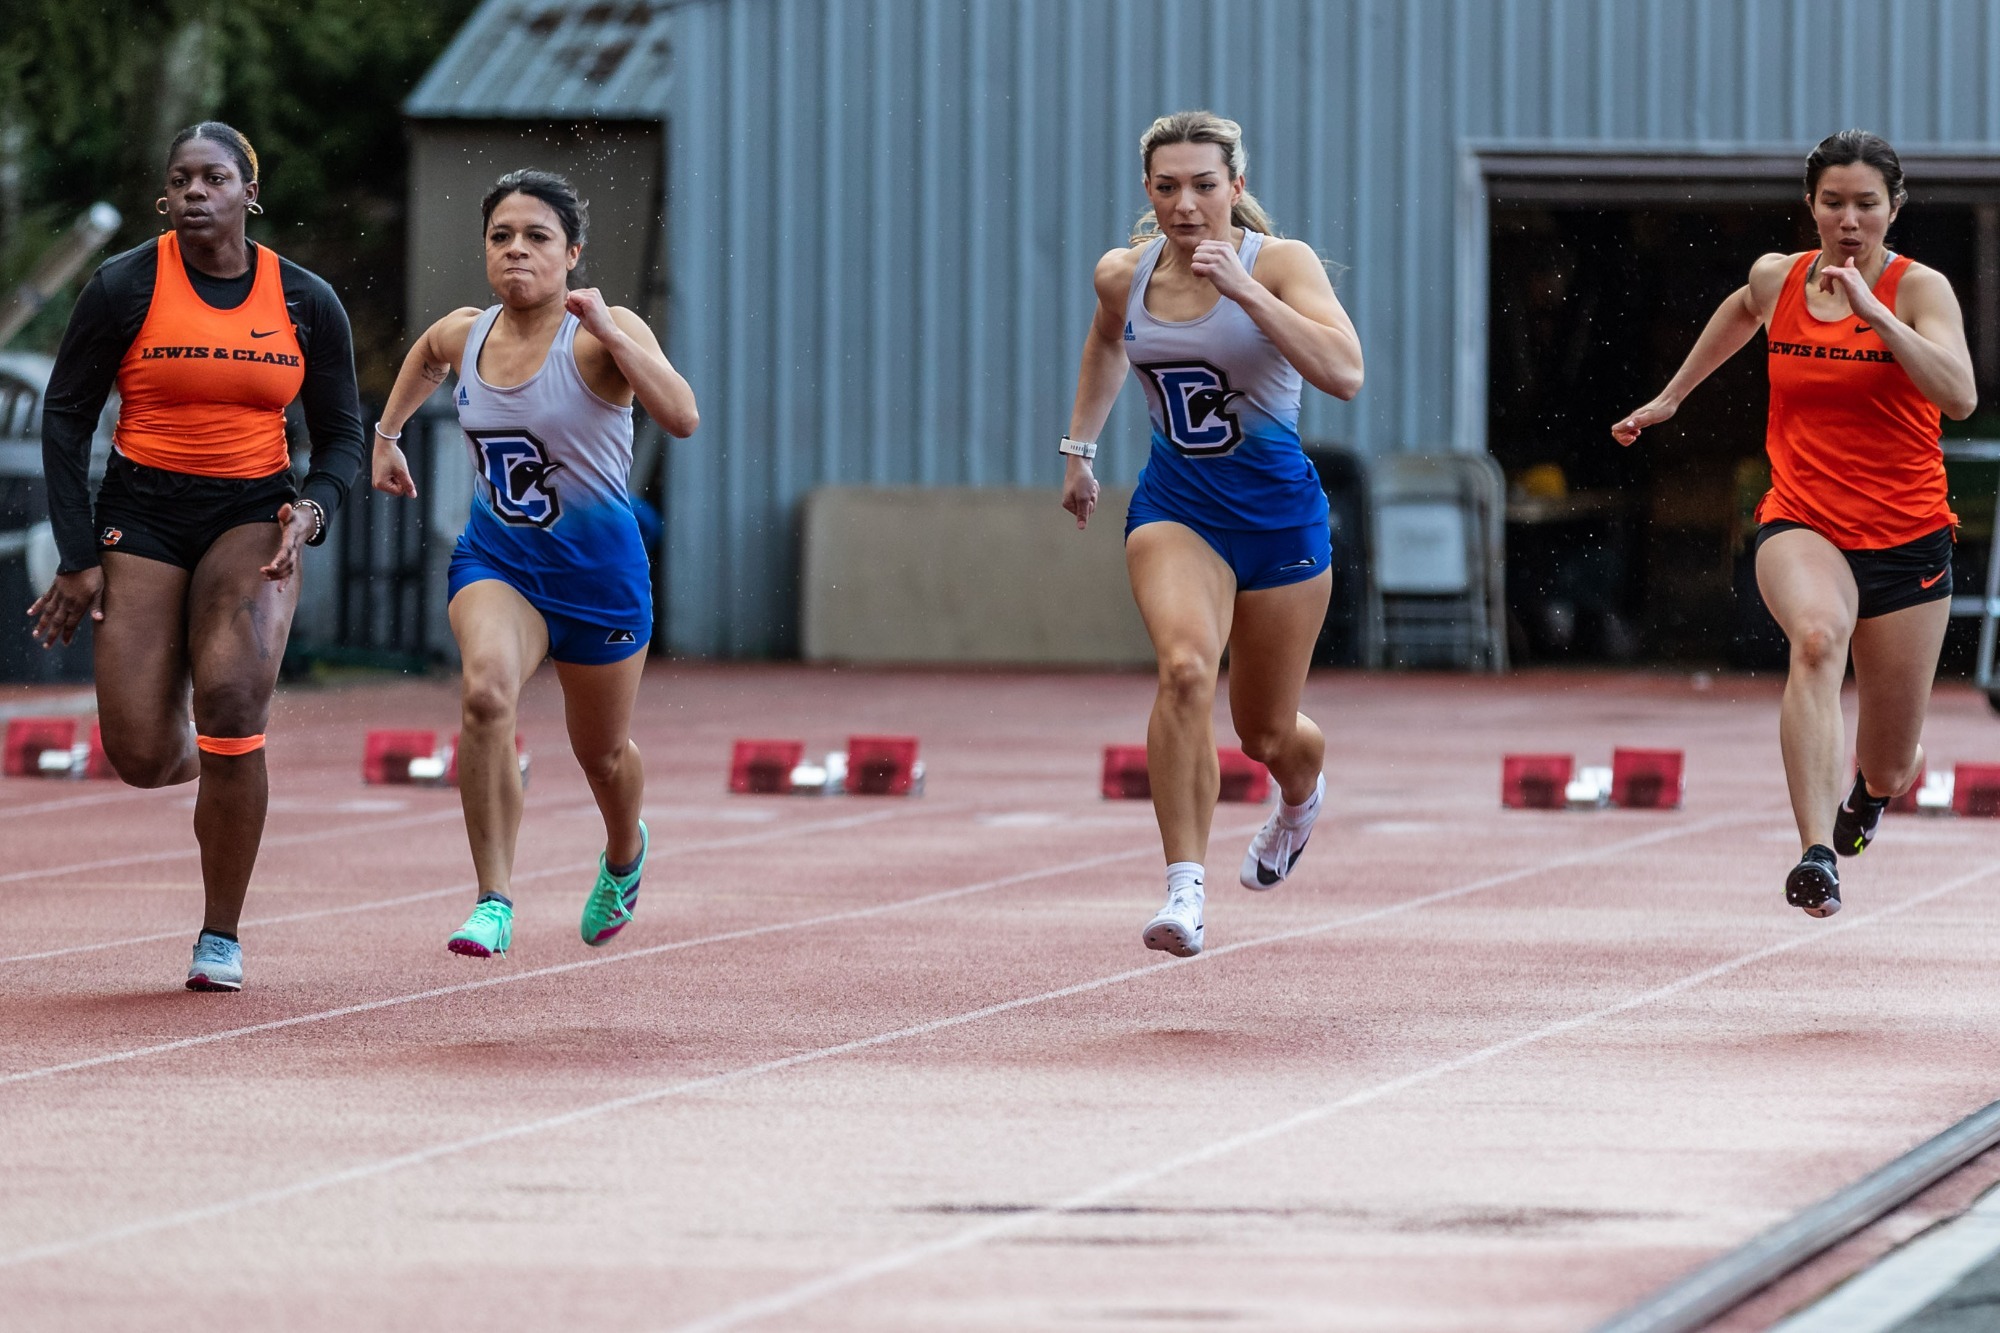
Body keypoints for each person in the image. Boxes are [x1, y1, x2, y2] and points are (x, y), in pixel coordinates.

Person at [29, 122, 365, 991]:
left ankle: (220, 932)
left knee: (230, 695)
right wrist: (76, 556)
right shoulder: (123, 286)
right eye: (180, 179)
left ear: (250, 194)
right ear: (164, 197)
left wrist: (314, 512)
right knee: (139, 754)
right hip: (140, 510)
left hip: (253, 508)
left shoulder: (304, 301)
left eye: (214, 178)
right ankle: (216, 759)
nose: (195, 192)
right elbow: (64, 419)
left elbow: (339, 437)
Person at [1613, 129, 1977, 919]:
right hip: (1802, 518)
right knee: (1815, 639)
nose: (1850, 220)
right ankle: (1817, 853)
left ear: (1894, 208)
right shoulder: (1779, 278)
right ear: (1811, 206)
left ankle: (1868, 795)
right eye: (1834, 202)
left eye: (1866, 205)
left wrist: (1878, 315)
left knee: (1888, 762)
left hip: (1908, 536)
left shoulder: (1921, 291)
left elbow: (1959, 395)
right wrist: (1674, 397)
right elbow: (1740, 312)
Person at [1060, 111, 1364, 957]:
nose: (1185, 205)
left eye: (1202, 185)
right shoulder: (1125, 274)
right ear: (1148, 192)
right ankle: (1183, 890)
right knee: (1185, 668)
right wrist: (1080, 449)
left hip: (1279, 522)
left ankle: (1300, 797)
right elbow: (1104, 345)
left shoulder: (1282, 263)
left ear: (1236, 186)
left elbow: (1344, 373)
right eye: (1167, 187)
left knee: (1265, 731)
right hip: (1177, 509)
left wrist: (1245, 291)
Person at [373, 169, 697, 958]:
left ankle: (625, 850)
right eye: (501, 236)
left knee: (603, 754)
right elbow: (425, 356)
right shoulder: (465, 332)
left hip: (599, 577)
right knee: (485, 694)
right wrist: (386, 436)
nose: (516, 249)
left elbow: (682, 416)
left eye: (537, 237)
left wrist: (617, 335)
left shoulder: (601, 331)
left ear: (572, 253)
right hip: (500, 561)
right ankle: (494, 898)